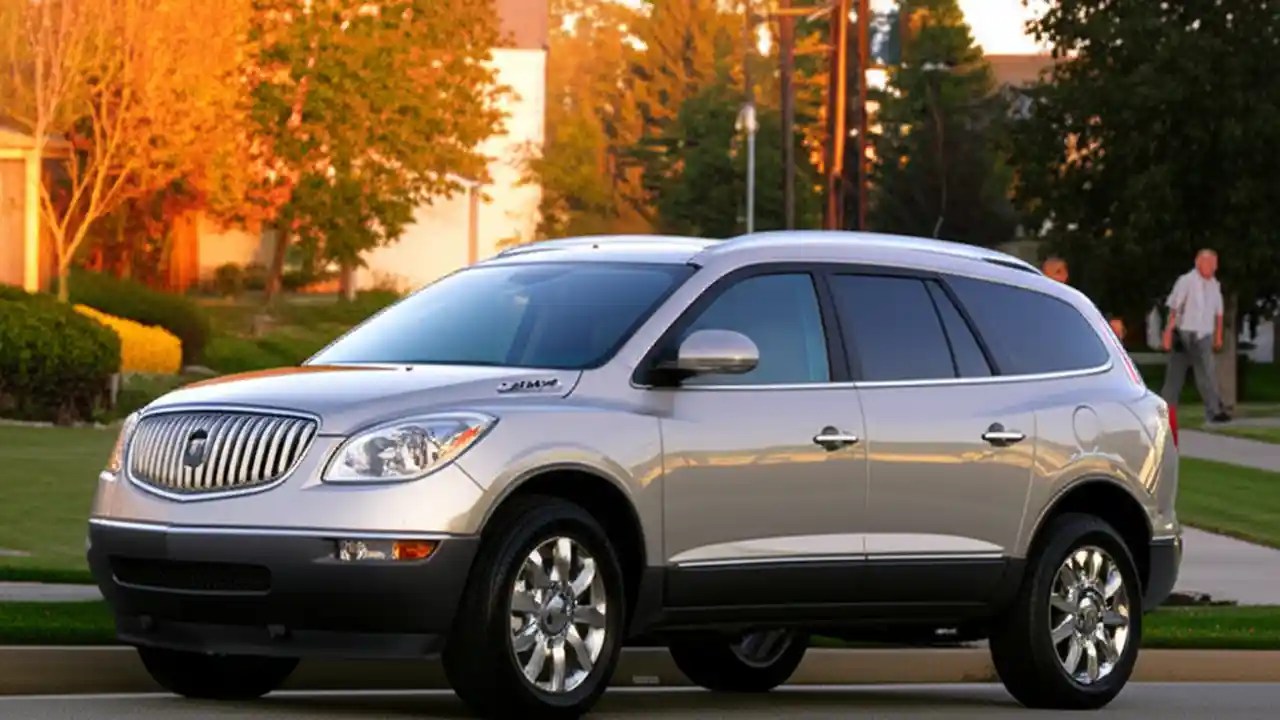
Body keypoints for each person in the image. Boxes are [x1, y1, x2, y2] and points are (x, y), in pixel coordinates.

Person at [1161, 249, 1231, 422]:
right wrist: (1168, 332)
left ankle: (1214, 411)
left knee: (1208, 373)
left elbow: (1219, 312)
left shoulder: (1214, 285)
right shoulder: (1186, 281)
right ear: (1199, 263)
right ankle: (1164, 412)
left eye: (1215, 264)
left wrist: (1218, 335)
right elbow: (1175, 308)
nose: (1214, 267)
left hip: (1204, 333)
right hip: (1184, 332)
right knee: (1175, 375)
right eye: (1210, 263)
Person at [1042, 255, 1126, 341]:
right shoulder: (1040, 301)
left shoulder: (1077, 297)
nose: (1050, 278)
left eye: (1057, 272)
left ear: (1065, 274)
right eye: (1046, 274)